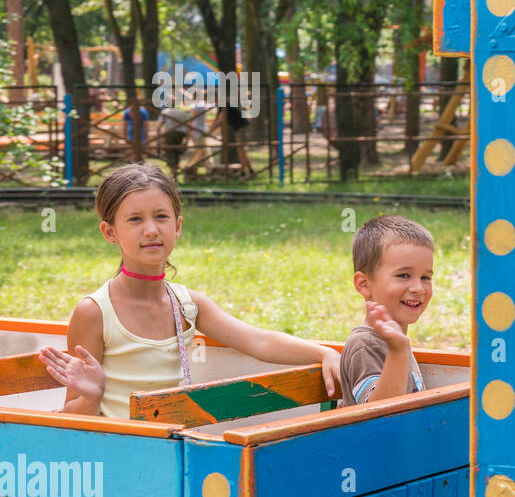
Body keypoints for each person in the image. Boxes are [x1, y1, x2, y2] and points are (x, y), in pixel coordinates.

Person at [38, 163, 341, 420]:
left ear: (178, 226)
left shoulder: (187, 305)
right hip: (121, 457)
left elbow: (257, 340)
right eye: (135, 219)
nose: (151, 230)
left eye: (161, 216)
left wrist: (323, 352)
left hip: (176, 452)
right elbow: (74, 420)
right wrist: (92, 396)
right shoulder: (95, 313)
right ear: (109, 232)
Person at [338, 216, 434, 406]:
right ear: (364, 284)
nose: (419, 288)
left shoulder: (396, 341)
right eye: (403, 275)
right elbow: (379, 417)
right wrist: (398, 351)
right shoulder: (365, 345)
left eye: (425, 277)